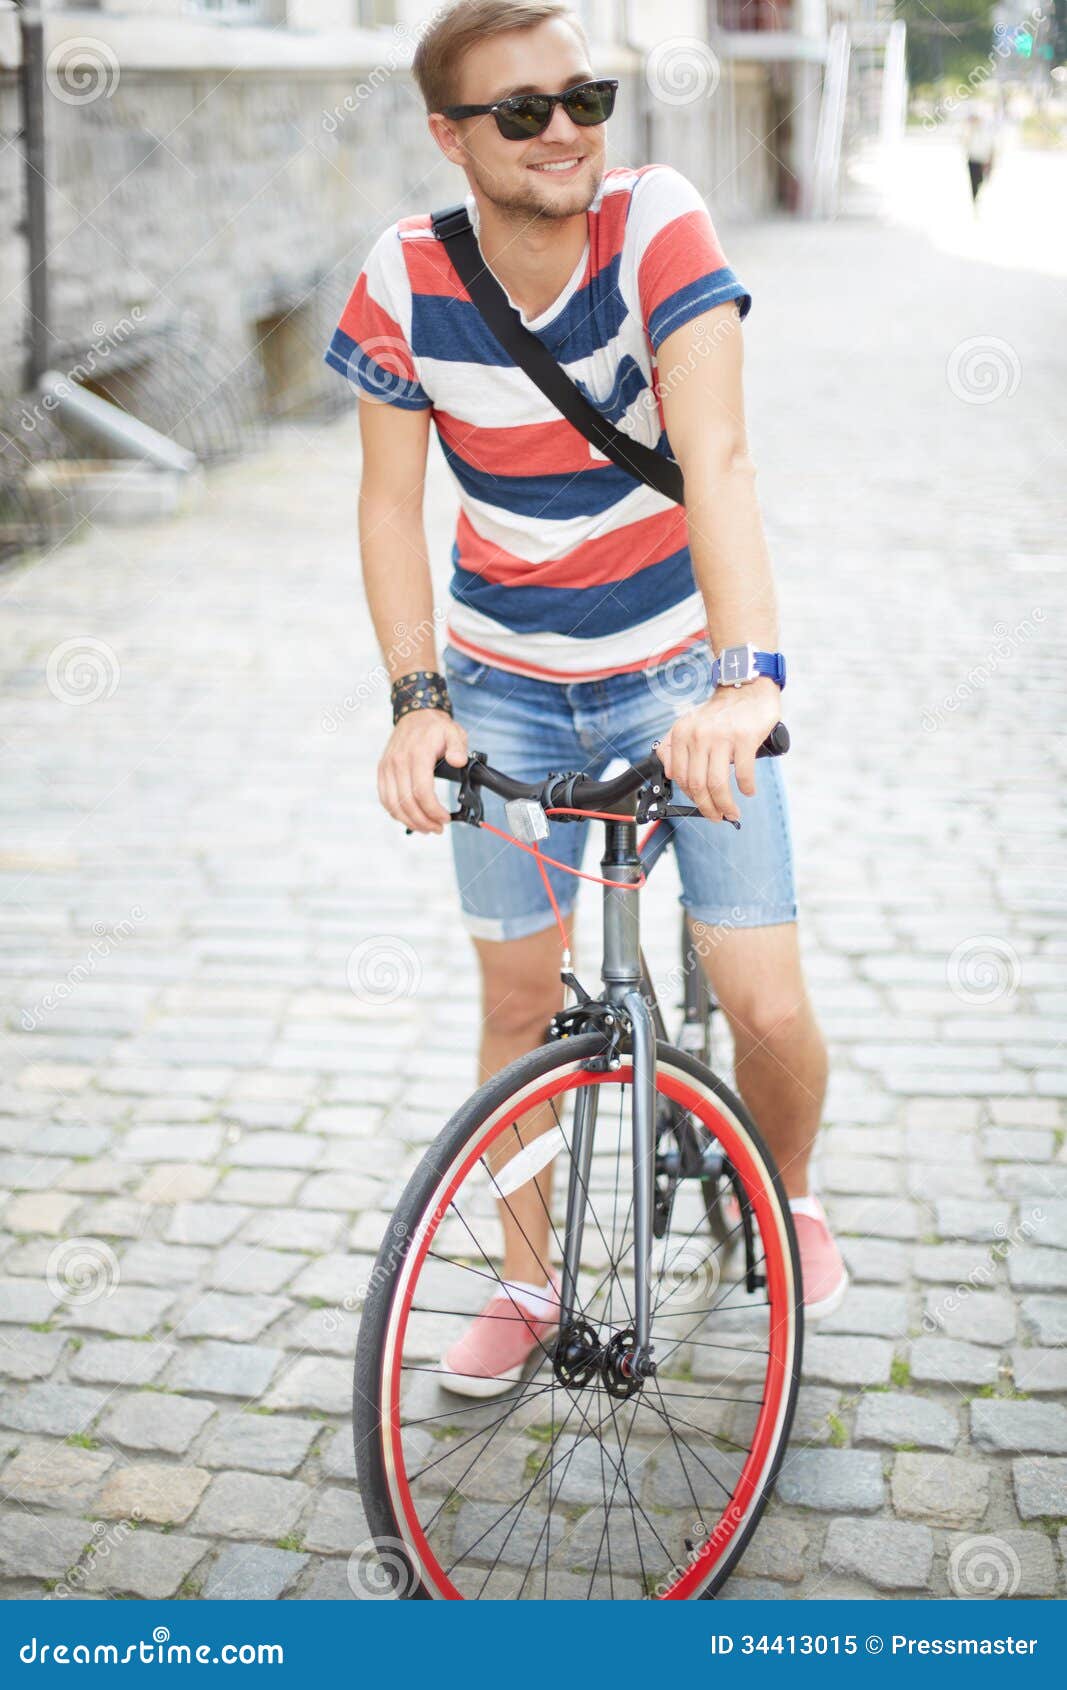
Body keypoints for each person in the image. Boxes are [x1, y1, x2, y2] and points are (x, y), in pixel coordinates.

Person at [324, 0, 848, 1395]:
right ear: (449, 134)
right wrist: (415, 699)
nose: (563, 131)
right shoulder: (403, 276)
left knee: (761, 996)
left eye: (583, 98)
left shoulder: (656, 219)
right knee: (513, 1007)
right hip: (503, 679)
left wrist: (741, 687)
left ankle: (783, 1192)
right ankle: (523, 1275)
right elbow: (389, 506)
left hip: (680, 669)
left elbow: (717, 456)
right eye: (520, 111)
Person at [964, 105, 997, 204]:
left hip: (983, 160)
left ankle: (976, 195)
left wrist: (991, 160)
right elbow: (965, 142)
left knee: (980, 179)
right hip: (972, 159)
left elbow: (992, 146)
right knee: (973, 181)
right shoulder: (969, 130)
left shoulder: (987, 131)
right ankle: (974, 199)